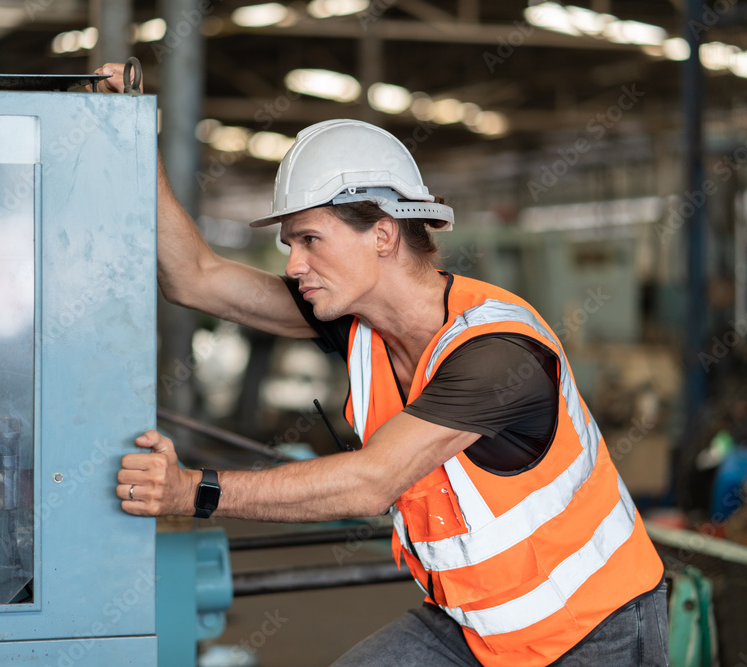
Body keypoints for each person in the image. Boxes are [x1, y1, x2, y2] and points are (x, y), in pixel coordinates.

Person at [92, 64, 669, 667]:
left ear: (384, 235)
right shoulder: (356, 320)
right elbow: (197, 278)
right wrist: (136, 134)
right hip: (473, 624)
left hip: (591, 631)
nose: (293, 265)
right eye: (290, 244)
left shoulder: (498, 355)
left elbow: (372, 481)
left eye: (310, 239)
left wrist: (195, 491)